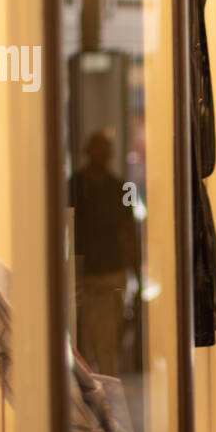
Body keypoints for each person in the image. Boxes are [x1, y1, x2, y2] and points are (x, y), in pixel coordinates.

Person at [70, 131, 140, 376]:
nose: (100, 155)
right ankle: (95, 389)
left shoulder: (119, 187)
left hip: (110, 273)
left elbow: (129, 232)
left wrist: (137, 275)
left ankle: (106, 390)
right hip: (85, 274)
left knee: (107, 342)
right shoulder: (74, 186)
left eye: (104, 150)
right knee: (85, 341)